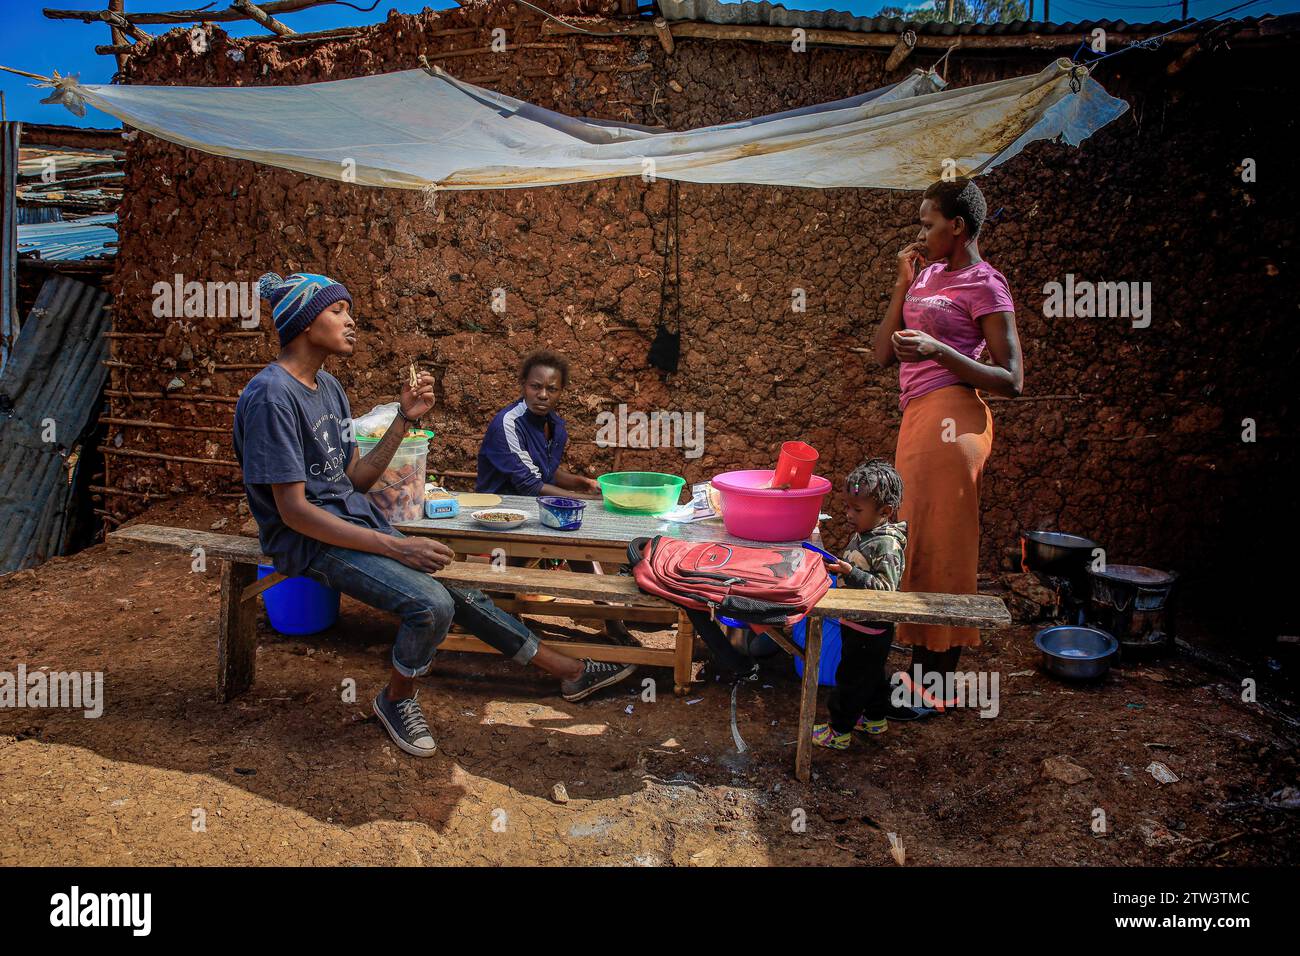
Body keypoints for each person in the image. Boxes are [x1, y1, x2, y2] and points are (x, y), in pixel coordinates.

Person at [233, 272, 635, 759]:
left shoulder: (330, 389)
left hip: (351, 520)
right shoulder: (270, 396)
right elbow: (294, 512)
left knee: (459, 587)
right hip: (305, 541)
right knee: (432, 604)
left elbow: (354, 480)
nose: (351, 319)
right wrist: (397, 545)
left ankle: (570, 674)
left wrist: (405, 419)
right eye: (337, 310)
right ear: (302, 322)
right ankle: (394, 701)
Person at [872, 178, 1023, 710]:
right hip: (917, 417)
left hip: (955, 419)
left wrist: (939, 350)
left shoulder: (986, 283)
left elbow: (1011, 378)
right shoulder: (927, 273)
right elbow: (881, 355)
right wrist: (901, 284)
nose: (922, 231)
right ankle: (916, 681)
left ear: (957, 226)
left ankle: (929, 691)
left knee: (943, 549)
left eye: (929, 222)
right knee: (915, 543)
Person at [477, 350, 634, 642]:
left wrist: (579, 482)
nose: (543, 395)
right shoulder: (507, 424)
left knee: (579, 545)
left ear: (561, 391)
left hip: (535, 510)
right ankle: (502, 621)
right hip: (502, 513)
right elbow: (528, 484)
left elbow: (546, 472)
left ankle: (612, 619)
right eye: (536, 386)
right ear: (523, 384)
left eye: (552, 388)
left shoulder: (555, 426)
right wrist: (579, 501)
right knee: (509, 573)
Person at [811, 459, 908, 750]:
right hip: (857, 624)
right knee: (873, 675)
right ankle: (875, 718)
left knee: (851, 679)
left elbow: (886, 590)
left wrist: (850, 572)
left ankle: (839, 730)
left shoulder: (886, 545)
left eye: (857, 510)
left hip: (870, 627)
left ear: (885, 512)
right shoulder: (867, 534)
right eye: (847, 507)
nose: (849, 515)